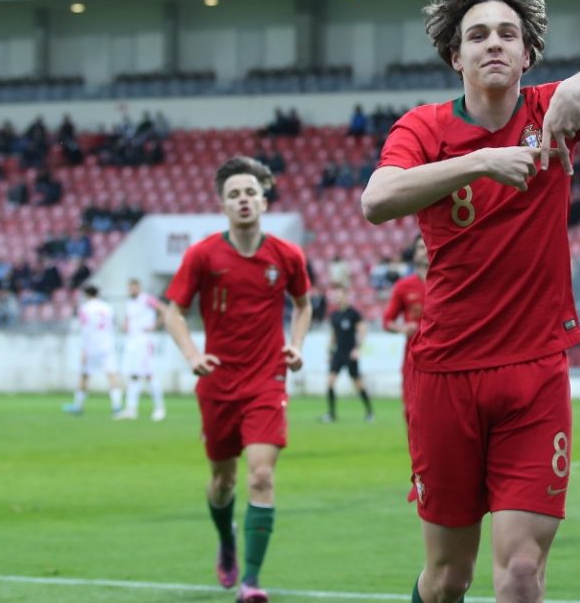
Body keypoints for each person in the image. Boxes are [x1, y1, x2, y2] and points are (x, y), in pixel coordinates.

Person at [360, 0, 580, 603]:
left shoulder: (549, 112)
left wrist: (578, 87)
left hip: (534, 369)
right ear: (456, 57)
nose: (494, 43)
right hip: (445, 370)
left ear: (528, 54)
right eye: (478, 35)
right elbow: (377, 199)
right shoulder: (423, 128)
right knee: (448, 579)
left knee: (522, 570)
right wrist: (479, 160)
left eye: (508, 33)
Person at [163, 156, 312, 602]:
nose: (243, 200)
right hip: (218, 383)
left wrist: (296, 345)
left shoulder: (286, 255)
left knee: (261, 476)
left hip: (268, 380)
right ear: (223, 206)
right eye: (234, 195)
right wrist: (192, 354)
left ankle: (251, 581)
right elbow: (173, 310)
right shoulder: (203, 255)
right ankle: (226, 540)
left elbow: (304, 305)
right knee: (223, 480)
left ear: (263, 200)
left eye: (250, 193)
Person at [383, 236, 429, 503]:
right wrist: (403, 329)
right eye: (420, 246)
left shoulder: (447, 279)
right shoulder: (404, 286)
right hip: (413, 361)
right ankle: (419, 476)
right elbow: (387, 320)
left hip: (446, 359)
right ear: (414, 253)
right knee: (413, 417)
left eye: (427, 245)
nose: (424, 250)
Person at [63, 286, 123, 415]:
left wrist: (84, 350)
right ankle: (117, 407)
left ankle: (78, 406)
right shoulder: (108, 307)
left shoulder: (84, 308)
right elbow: (114, 325)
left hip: (92, 346)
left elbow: (86, 330)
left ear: (86, 295)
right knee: (112, 374)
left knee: (84, 376)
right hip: (107, 344)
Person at [320, 285, 373, 423]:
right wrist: (329, 352)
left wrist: (357, 349)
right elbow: (333, 335)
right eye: (335, 295)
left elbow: (362, 330)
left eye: (340, 294)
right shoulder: (334, 315)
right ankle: (331, 414)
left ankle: (369, 412)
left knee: (358, 383)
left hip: (350, 353)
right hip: (338, 353)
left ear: (346, 295)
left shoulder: (353, 313)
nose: (337, 297)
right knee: (330, 382)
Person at [118, 278, 167, 421]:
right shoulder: (129, 303)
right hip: (132, 342)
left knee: (149, 374)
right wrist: (126, 325)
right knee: (133, 375)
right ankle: (131, 409)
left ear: (138, 287)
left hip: (145, 341)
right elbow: (128, 319)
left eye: (134, 287)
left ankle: (159, 408)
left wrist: (155, 325)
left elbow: (164, 310)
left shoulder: (147, 299)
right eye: (130, 287)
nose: (131, 290)